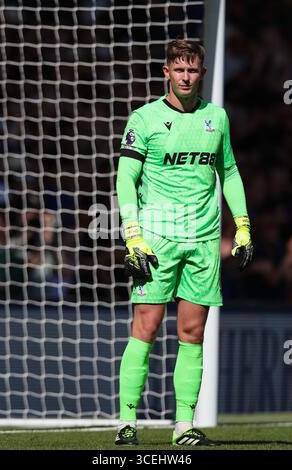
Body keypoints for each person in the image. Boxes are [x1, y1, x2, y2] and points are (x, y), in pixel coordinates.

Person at [115, 39, 253, 446]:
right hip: (156, 239)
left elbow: (228, 172)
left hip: (205, 240)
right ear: (166, 72)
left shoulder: (217, 118)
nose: (186, 77)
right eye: (179, 69)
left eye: (192, 70)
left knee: (193, 332)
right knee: (147, 326)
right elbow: (126, 178)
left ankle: (183, 428)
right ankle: (126, 423)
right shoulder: (143, 119)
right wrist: (132, 234)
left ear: (202, 74)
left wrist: (242, 225)